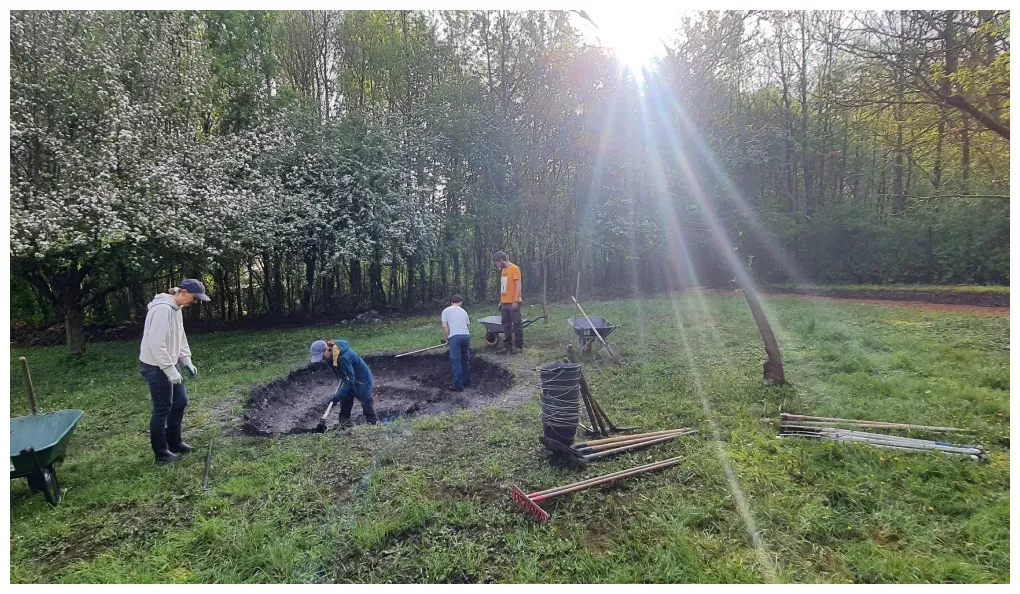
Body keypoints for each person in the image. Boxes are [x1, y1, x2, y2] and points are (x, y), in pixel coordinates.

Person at [139, 279, 210, 465]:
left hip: (169, 361)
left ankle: (175, 443)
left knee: (180, 401)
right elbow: (156, 344)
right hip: (156, 366)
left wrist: (187, 360)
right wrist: (170, 370)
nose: (194, 303)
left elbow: (180, 336)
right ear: (183, 292)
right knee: (162, 408)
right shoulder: (162, 309)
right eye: (194, 299)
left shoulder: (176, 309)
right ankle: (162, 455)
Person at [310, 339, 378, 426]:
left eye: (322, 356)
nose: (322, 359)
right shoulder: (332, 354)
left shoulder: (343, 358)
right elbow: (342, 374)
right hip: (349, 377)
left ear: (327, 349)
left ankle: (374, 425)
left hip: (362, 380)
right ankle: (344, 425)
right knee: (345, 401)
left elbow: (349, 381)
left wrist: (336, 398)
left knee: (366, 402)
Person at [492, 250, 523, 353]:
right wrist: (501, 300)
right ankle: (507, 346)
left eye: (497, 263)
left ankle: (518, 346)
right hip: (505, 302)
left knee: (517, 324)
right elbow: (504, 287)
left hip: (513, 302)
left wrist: (515, 300)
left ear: (501, 260)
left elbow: (518, 286)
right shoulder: (503, 271)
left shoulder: (514, 269)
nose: (497, 266)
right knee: (505, 325)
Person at [441, 295, 471, 392]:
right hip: (466, 336)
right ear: (460, 302)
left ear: (451, 302)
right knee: (465, 359)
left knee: (456, 361)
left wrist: (447, 338)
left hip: (455, 337)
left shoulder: (446, 311)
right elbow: (466, 326)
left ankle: (458, 385)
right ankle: (466, 381)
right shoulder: (464, 311)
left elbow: (445, 326)